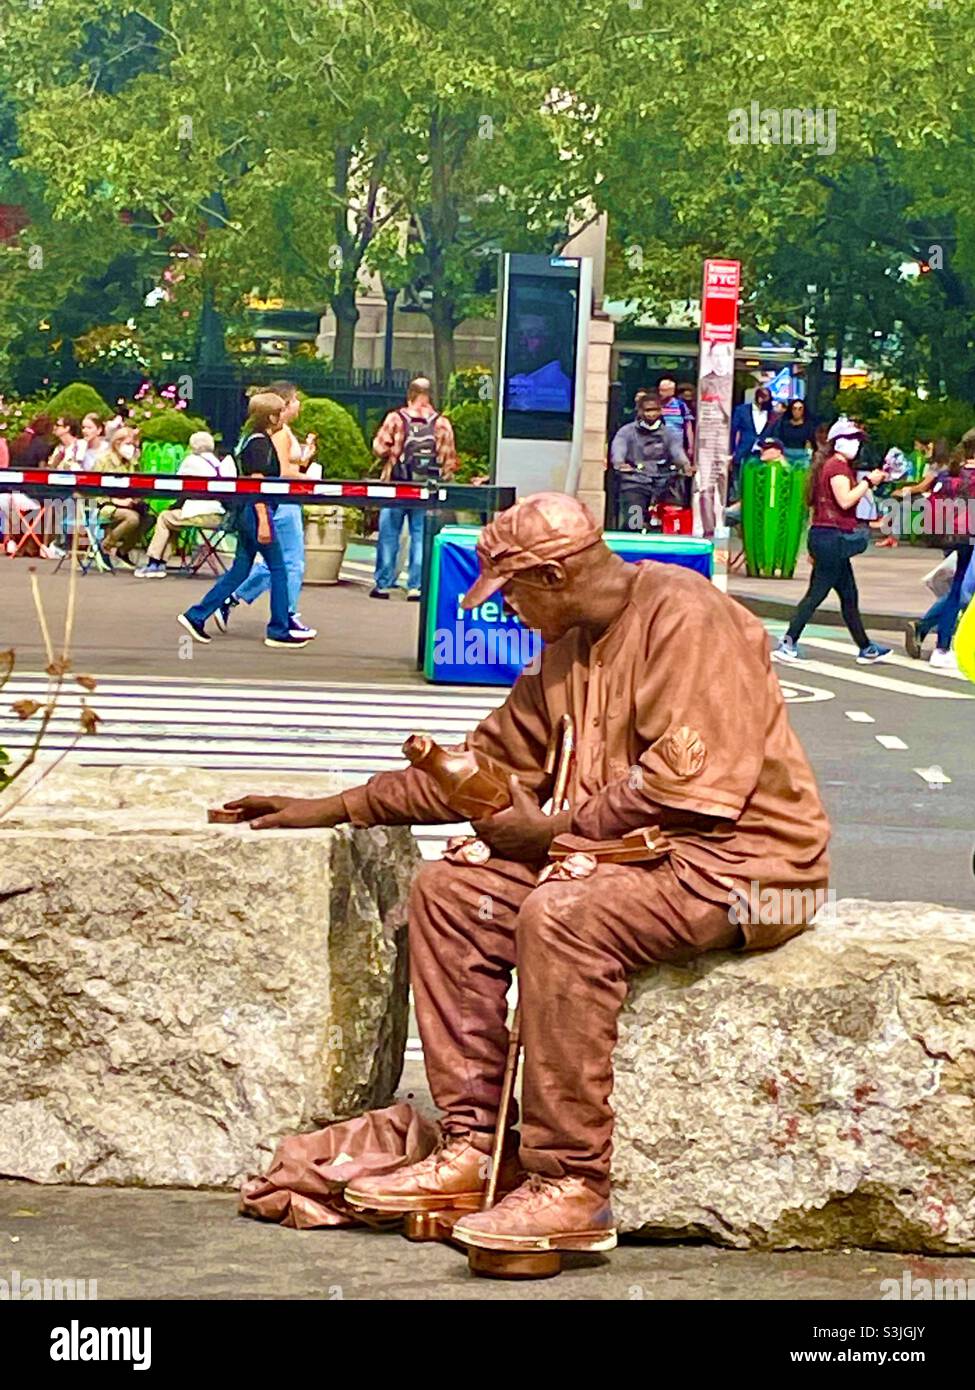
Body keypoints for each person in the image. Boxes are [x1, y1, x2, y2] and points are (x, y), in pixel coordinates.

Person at [224, 491, 830, 1257]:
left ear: (550, 575)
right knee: (452, 893)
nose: (504, 609)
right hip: (628, 859)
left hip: (745, 867)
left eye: (509, 592)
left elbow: (686, 786)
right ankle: (477, 1146)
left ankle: (570, 1184)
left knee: (566, 915)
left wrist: (548, 832)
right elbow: (488, 768)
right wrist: (342, 805)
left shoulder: (687, 614)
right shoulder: (568, 649)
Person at [177, 394, 310, 650]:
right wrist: (263, 519)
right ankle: (278, 628)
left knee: (241, 569)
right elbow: (257, 483)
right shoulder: (260, 444)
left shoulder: (250, 440)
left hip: (248, 511)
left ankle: (197, 615)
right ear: (271, 417)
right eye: (281, 412)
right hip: (258, 510)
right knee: (279, 569)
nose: (285, 416)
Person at [773, 418, 891, 665]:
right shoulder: (836, 468)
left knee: (848, 596)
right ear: (837, 443)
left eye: (857, 441)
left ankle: (866, 647)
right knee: (817, 594)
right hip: (831, 540)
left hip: (827, 538)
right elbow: (845, 500)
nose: (855, 445)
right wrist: (868, 482)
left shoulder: (829, 466)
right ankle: (788, 642)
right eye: (850, 440)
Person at [219, 382, 318, 640]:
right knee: (291, 562)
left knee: (270, 562)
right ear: (283, 405)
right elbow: (280, 472)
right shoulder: (279, 433)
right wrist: (309, 478)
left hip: (275, 502)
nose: (299, 404)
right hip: (281, 500)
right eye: (295, 399)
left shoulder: (276, 432)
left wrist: (305, 459)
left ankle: (229, 598)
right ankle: (287, 616)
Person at [371, 377, 457, 600]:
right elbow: (448, 460)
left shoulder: (396, 418)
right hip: (425, 489)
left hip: (396, 486)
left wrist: (392, 455)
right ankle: (416, 586)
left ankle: (383, 584)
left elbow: (379, 448)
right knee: (420, 535)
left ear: (409, 394)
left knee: (389, 534)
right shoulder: (441, 423)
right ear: (430, 395)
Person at [904, 439, 975, 669]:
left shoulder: (951, 474)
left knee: (959, 591)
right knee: (961, 592)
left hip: (953, 536)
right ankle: (941, 646)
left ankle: (933, 637)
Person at [135, 431, 234, 578]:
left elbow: (178, 485)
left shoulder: (191, 461)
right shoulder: (219, 463)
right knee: (172, 519)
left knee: (164, 517)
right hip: (218, 514)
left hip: (198, 513)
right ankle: (161, 562)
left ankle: (154, 562)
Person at [609, 391, 692, 530]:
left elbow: (677, 451)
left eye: (655, 410)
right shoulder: (626, 431)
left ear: (661, 411)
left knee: (672, 520)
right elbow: (618, 449)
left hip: (663, 482)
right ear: (640, 411)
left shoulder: (668, 433)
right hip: (635, 481)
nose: (651, 414)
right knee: (634, 522)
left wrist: (685, 465)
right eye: (647, 410)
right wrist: (619, 463)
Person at [99, 427, 148, 566]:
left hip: (128, 503)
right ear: (117, 443)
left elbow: (137, 483)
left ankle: (123, 550)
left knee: (149, 519)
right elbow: (95, 491)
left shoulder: (131, 462)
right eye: (128, 444)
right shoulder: (104, 460)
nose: (131, 448)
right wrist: (118, 502)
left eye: (133, 445)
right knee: (132, 518)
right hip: (104, 504)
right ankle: (106, 545)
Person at [730, 386, 774, 476]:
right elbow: (734, 431)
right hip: (743, 451)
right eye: (766, 399)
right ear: (759, 398)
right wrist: (732, 451)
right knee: (738, 480)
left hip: (763, 454)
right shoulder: (741, 410)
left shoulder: (772, 414)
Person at [657, 375, 694, 457]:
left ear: (672, 391)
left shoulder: (680, 405)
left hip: (677, 444)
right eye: (660, 390)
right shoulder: (656, 405)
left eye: (664, 390)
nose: (661, 393)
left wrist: (690, 446)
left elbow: (688, 426)